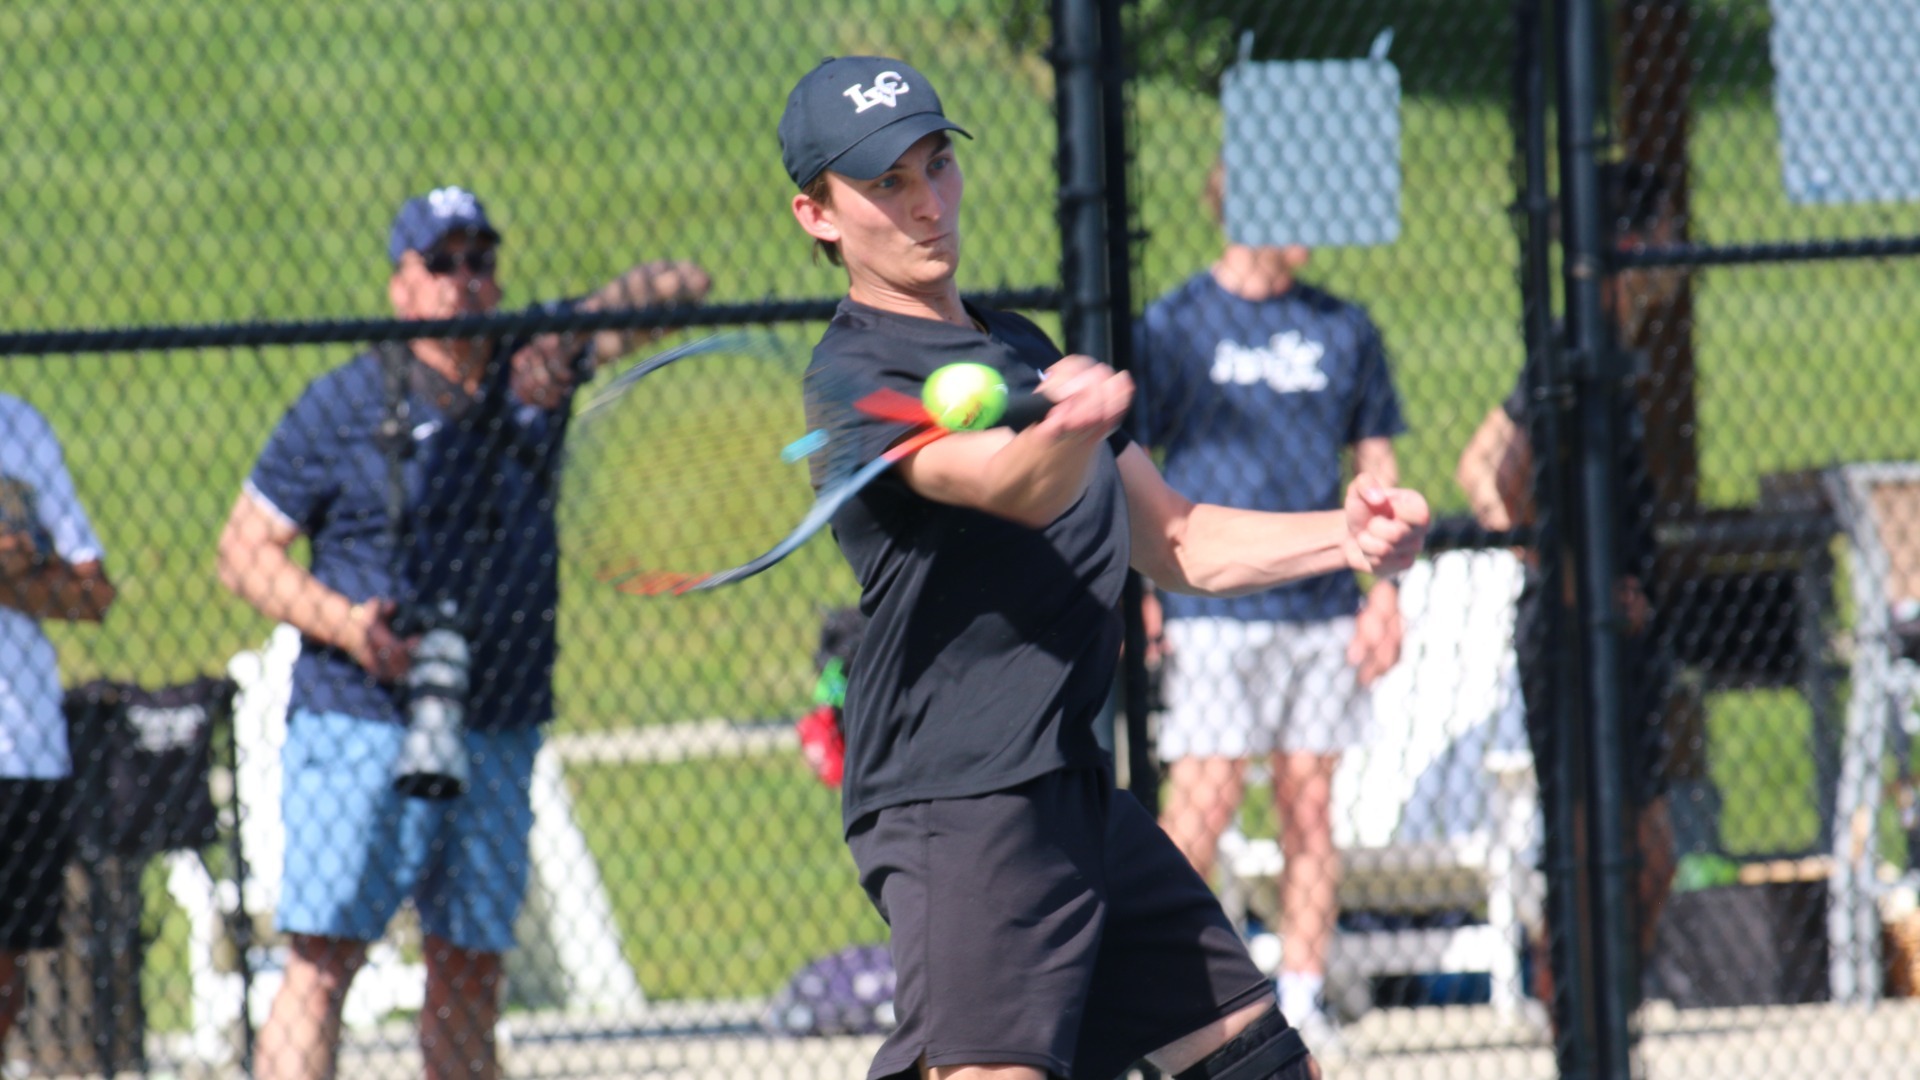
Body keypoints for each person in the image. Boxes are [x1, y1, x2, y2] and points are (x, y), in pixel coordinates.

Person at [780, 56, 1429, 1080]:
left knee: (1261, 1064)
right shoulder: (856, 377)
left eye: (935, 165)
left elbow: (1177, 539)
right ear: (818, 214)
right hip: (961, 803)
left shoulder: (1019, 349)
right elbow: (1005, 483)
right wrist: (1070, 429)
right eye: (886, 184)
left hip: (1073, 792)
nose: (925, 204)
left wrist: (1346, 540)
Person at [216, 185, 709, 1080]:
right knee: (324, 959)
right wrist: (351, 626)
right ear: (401, 285)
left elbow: (686, 283)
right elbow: (243, 551)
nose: (463, 280)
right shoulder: (343, 404)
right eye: (439, 263)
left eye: (479, 260)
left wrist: (567, 340)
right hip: (360, 710)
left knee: (470, 968)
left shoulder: (536, 367)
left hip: (498, 711)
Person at [1131, 161, 1408, 1049]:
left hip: (1321, 605)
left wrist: (1385, 593)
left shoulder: (1342, 327)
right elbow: (1135, 469)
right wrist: (1143, 590)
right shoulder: (1175, 325)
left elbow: (1376, 468)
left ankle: (1301, 994)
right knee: (1201, 805)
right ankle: (1154, 988)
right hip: (1215, 612)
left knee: (1309, 808)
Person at [1454, 161, 1682, 1026]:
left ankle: (1607, 1002)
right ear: (1628, 245)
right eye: (1660, 235)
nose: (1672, 252)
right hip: (1567, 636)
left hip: (1630, 648)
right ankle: (1575, 1008)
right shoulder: (1568, 349)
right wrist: (1562, 574)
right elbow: (1484, 470)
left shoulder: (1622, 355)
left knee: (1650, 848)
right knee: (1586, 836)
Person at [0, 395, 118, 1048]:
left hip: (23, 746)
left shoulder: (18, 425)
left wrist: (15, 573)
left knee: (6, 975)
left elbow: (93, 593)